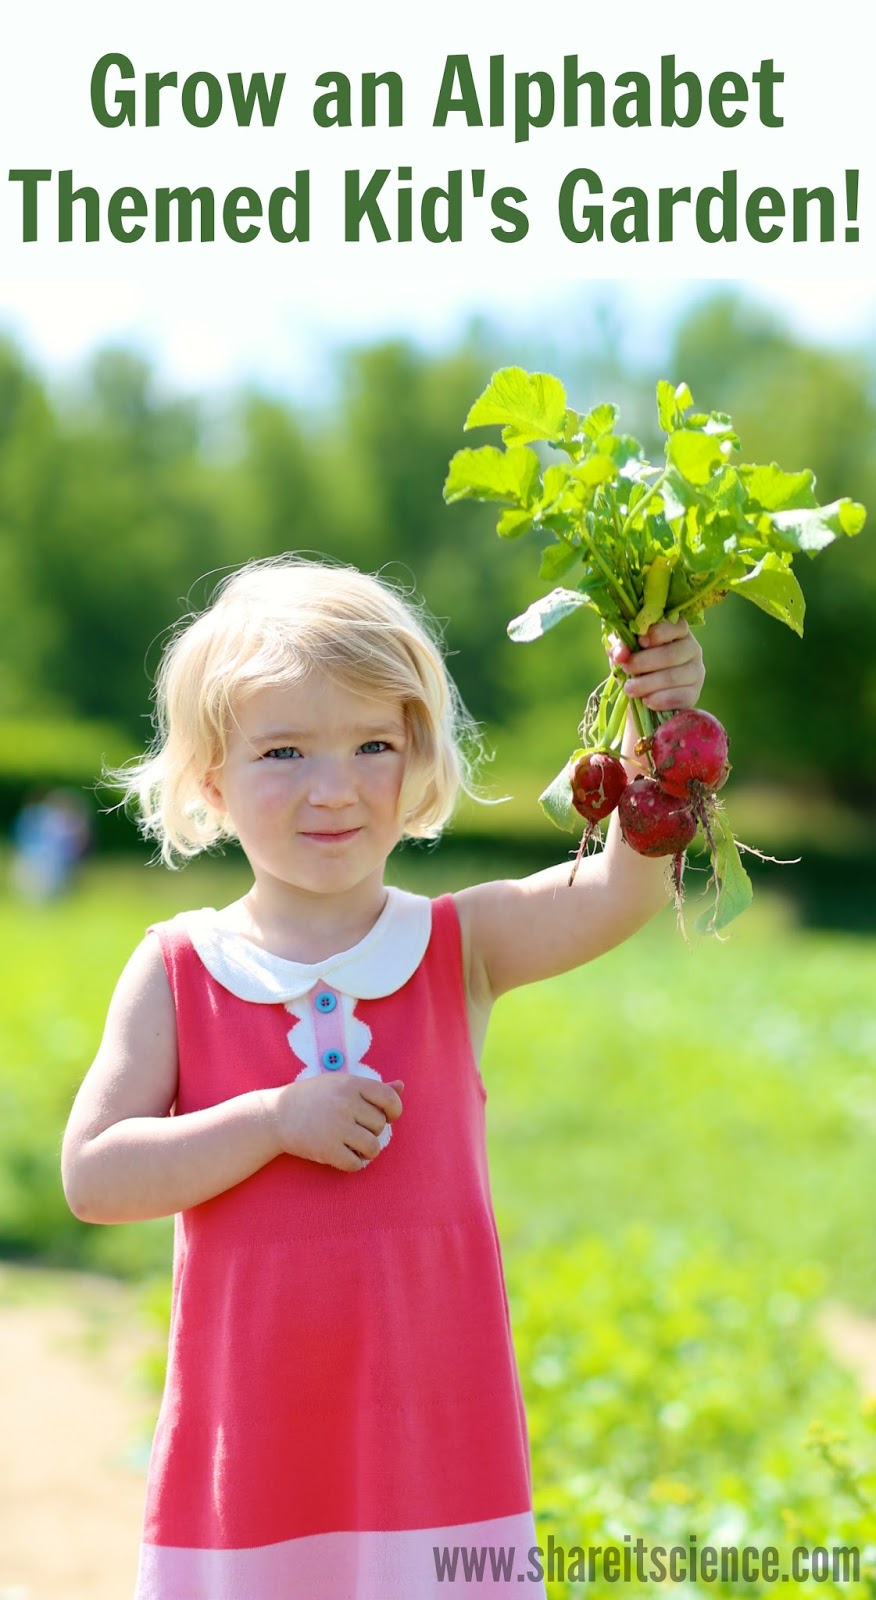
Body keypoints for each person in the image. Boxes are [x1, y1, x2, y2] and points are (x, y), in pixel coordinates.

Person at [61, 554, 704, 1600]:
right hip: (255, 1459)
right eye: (283, 749)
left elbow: (626, 886)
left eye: (372, 742)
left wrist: (661, 718)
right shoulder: (180, 967)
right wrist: (271, 1119)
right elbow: (94, 1174)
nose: (334, 785)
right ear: (213, 780)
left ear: (417, 759)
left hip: (437, 1455)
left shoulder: (459, 942)